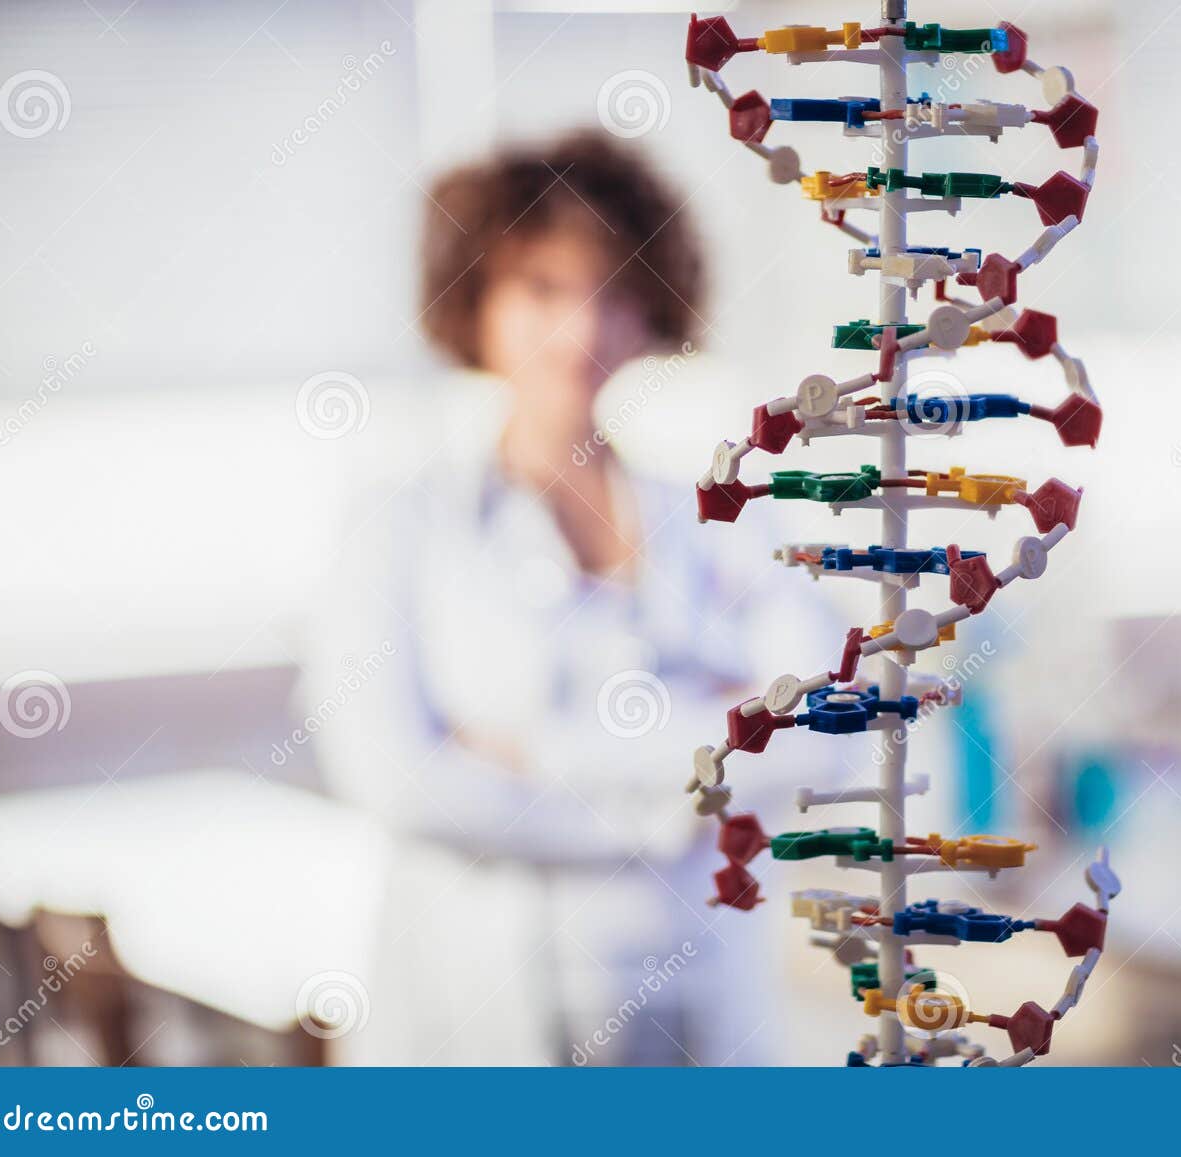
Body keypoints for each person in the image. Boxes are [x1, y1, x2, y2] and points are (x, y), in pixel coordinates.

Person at [303, 132, 832, 1065]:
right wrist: (673, 784)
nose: (583, 328)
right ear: (475, 300)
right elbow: (398, 775)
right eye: (542, 289)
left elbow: (820, 728)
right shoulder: (401, 527)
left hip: (698, 996)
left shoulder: (719, 522)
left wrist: (541, 751)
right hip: (479, 1008)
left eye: (614, 292)